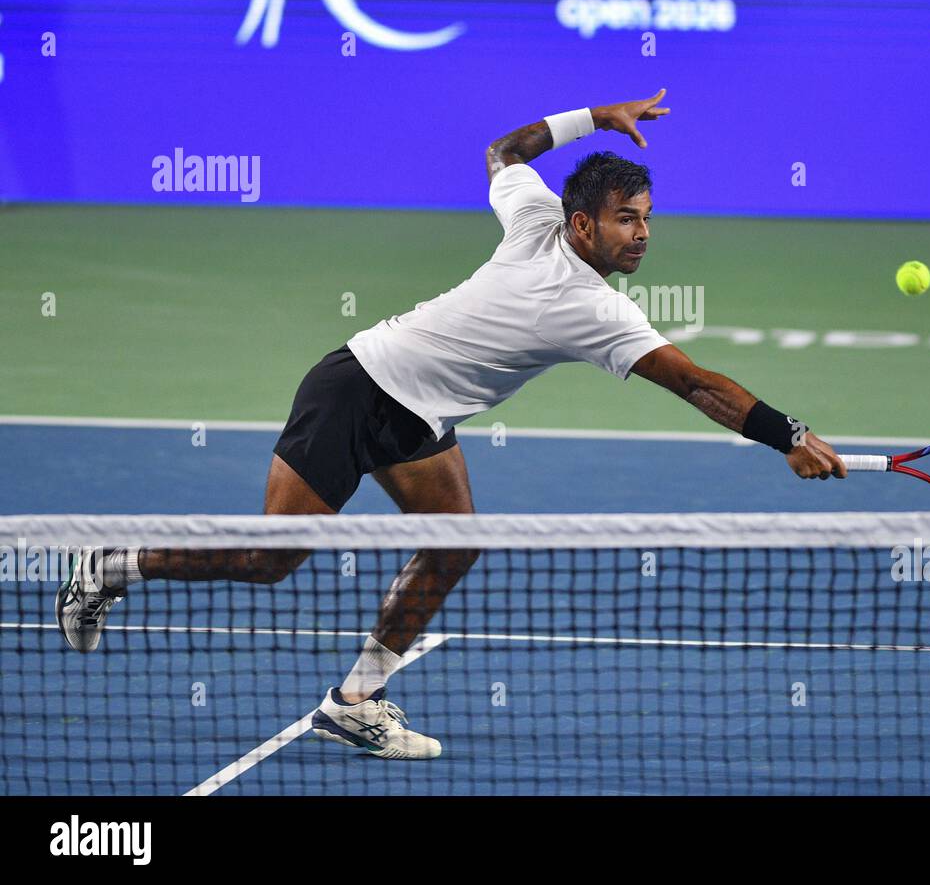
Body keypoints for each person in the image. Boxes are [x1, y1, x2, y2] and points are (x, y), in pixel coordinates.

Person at [55, 88, 847, 759]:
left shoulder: (536, 214)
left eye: (645, 218)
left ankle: (355, 699)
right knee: (269, 559)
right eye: (623, 220)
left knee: (456, 537)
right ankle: (109, 565)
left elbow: (504, 150)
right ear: (580, 225)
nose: (639, 234)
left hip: (417, 411)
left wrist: (594, 118)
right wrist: (790, 435)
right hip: (356, 391)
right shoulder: (592, 308)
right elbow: (696, 384)